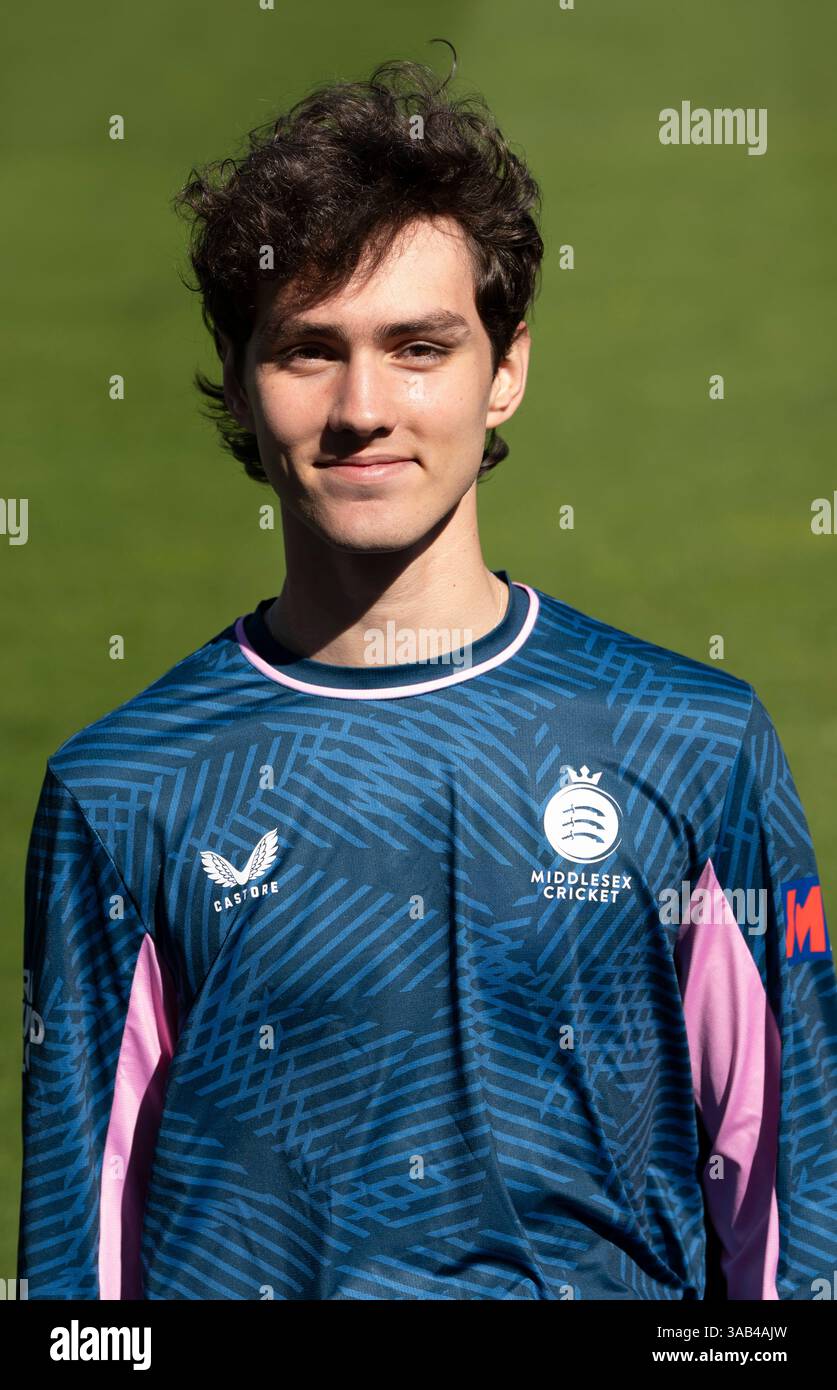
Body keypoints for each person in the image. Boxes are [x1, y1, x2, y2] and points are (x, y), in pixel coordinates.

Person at [19, 55, 837, 1302]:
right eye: (307, 351)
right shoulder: (124, 791)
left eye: (418, 346)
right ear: (240, 378)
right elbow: (80, 1277)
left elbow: (791, 1210)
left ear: (504, 369)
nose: (362, 407)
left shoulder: (694, 745)